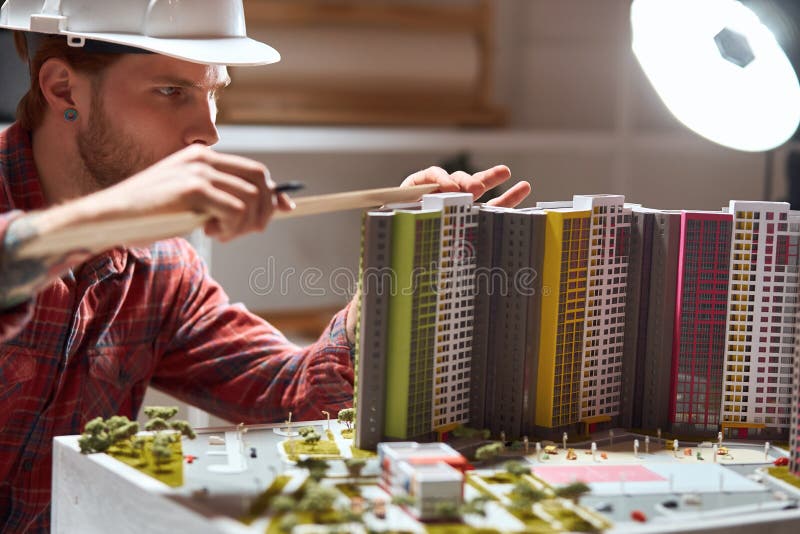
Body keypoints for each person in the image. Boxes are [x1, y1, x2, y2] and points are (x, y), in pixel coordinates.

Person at [0, 0, 531, 531]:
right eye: (171, 91)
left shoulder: (161, 271)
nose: (207, 132)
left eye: (213, 94)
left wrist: (397, 266)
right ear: (64, 89)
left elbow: (290, 394)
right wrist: (113, 214)